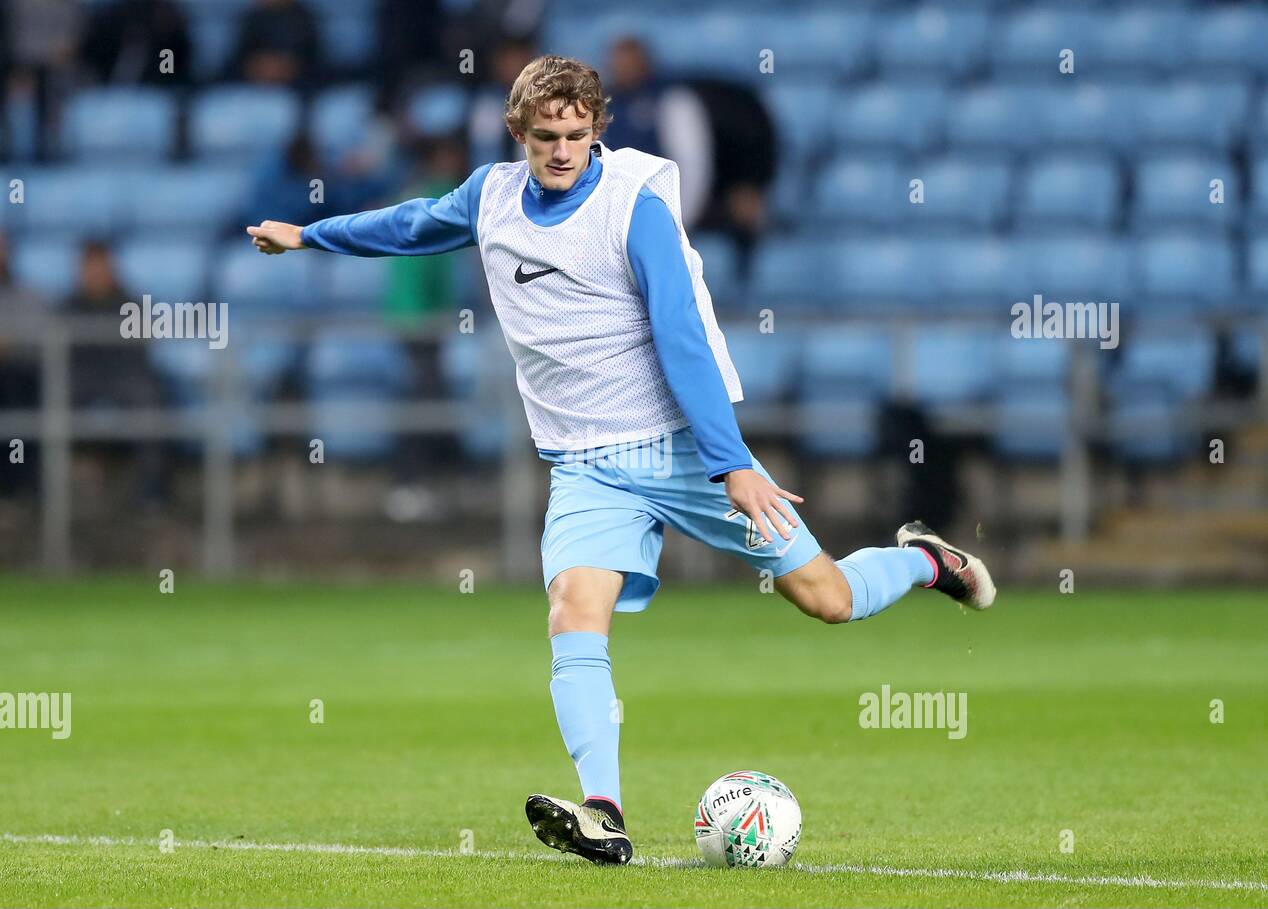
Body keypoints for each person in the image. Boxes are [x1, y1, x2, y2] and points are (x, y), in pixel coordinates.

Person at [245, 55, 996, 866]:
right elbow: (412, 225)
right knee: (572, 612)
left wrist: (732, 463)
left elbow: (682, 336)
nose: (562, 150)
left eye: (576, 133)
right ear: (517, 134)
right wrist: (308, 234)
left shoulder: (633, 210)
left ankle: (924, 561)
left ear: (598, 128)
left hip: (681, 450)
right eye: (545, 137)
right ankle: (603, 811)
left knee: (829, 598)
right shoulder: (490, 196)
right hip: (586, 467)